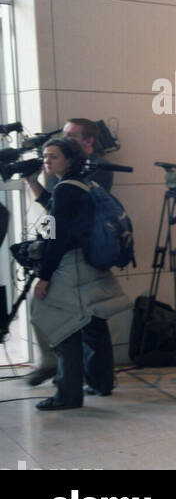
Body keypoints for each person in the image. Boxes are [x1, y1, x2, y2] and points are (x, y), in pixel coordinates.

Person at [29, 137, 130, 410]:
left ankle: (68, 394)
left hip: (69, 265)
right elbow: (58, 211)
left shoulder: (64, 189)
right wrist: (32, 183)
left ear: (69, 160)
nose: (46, 161)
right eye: (45, 156)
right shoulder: (83, 183)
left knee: (62, 326)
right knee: (92, 321)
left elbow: (56, 236)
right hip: (88, 263)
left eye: (53, 156)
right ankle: (101, 382)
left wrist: (45, 275)